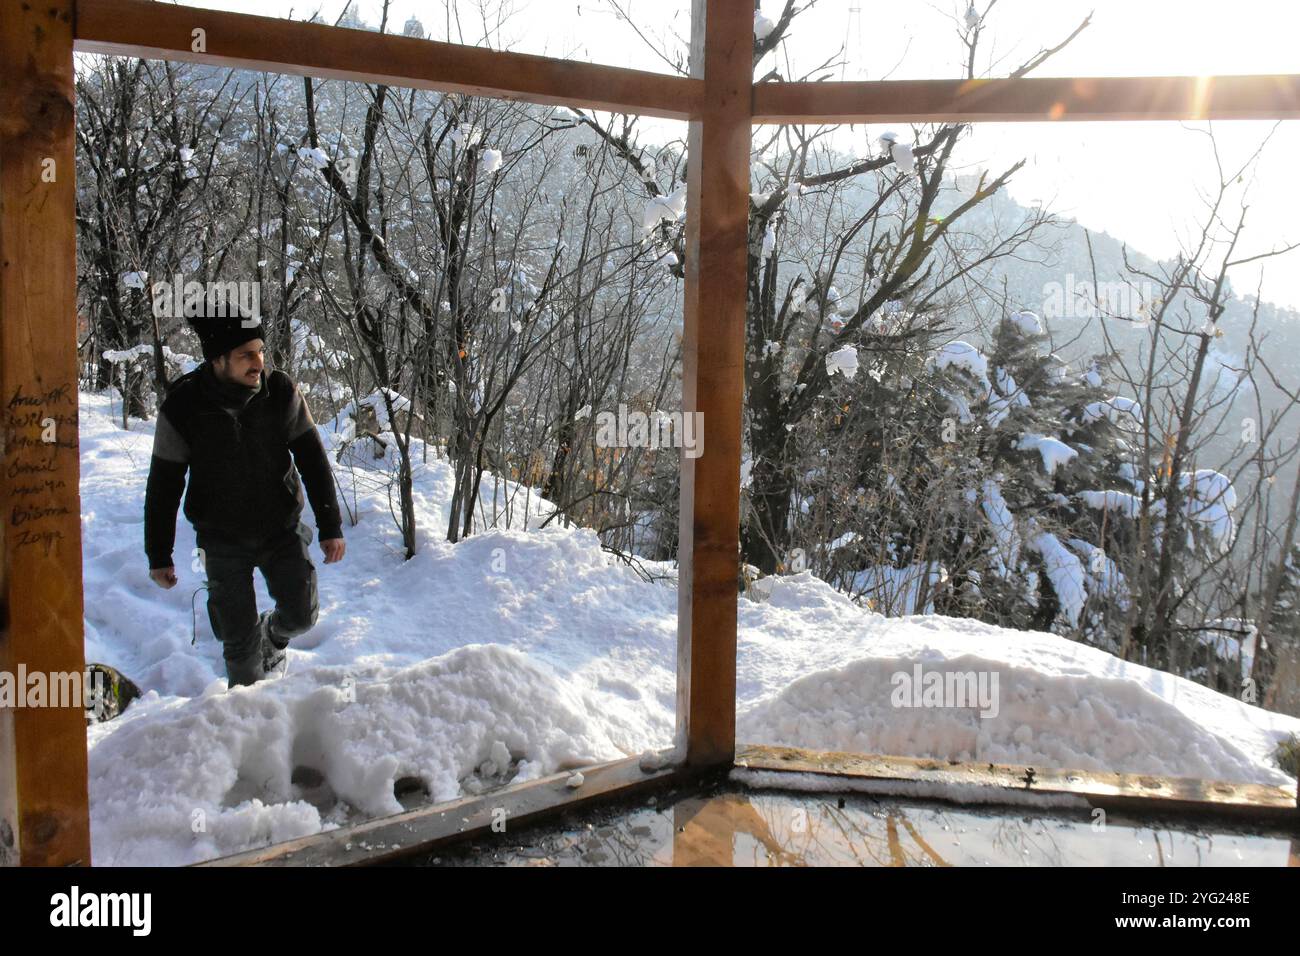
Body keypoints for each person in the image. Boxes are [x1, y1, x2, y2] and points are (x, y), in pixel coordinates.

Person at [144, 315, 346, 687]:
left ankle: (273, 636)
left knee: (301, 616)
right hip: (220, 539)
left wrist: (330, 526)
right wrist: (159, 554)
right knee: (237, 643)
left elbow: (313, 460)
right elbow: (163, 485)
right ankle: (246, 719)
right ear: (217, 360)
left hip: (280, 528)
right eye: (246, 355)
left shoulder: (280, 391)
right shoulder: (182, 406)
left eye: (261, 352)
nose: (258, 363)